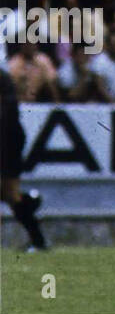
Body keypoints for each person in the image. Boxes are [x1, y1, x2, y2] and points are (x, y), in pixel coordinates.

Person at [0, 19, 48, 249]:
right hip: (10, 136)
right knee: (10, 195)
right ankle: (32, 205)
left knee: (10, 194)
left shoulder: (4, 80)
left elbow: (7, 115)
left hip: (6, 139)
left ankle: (38, 240)